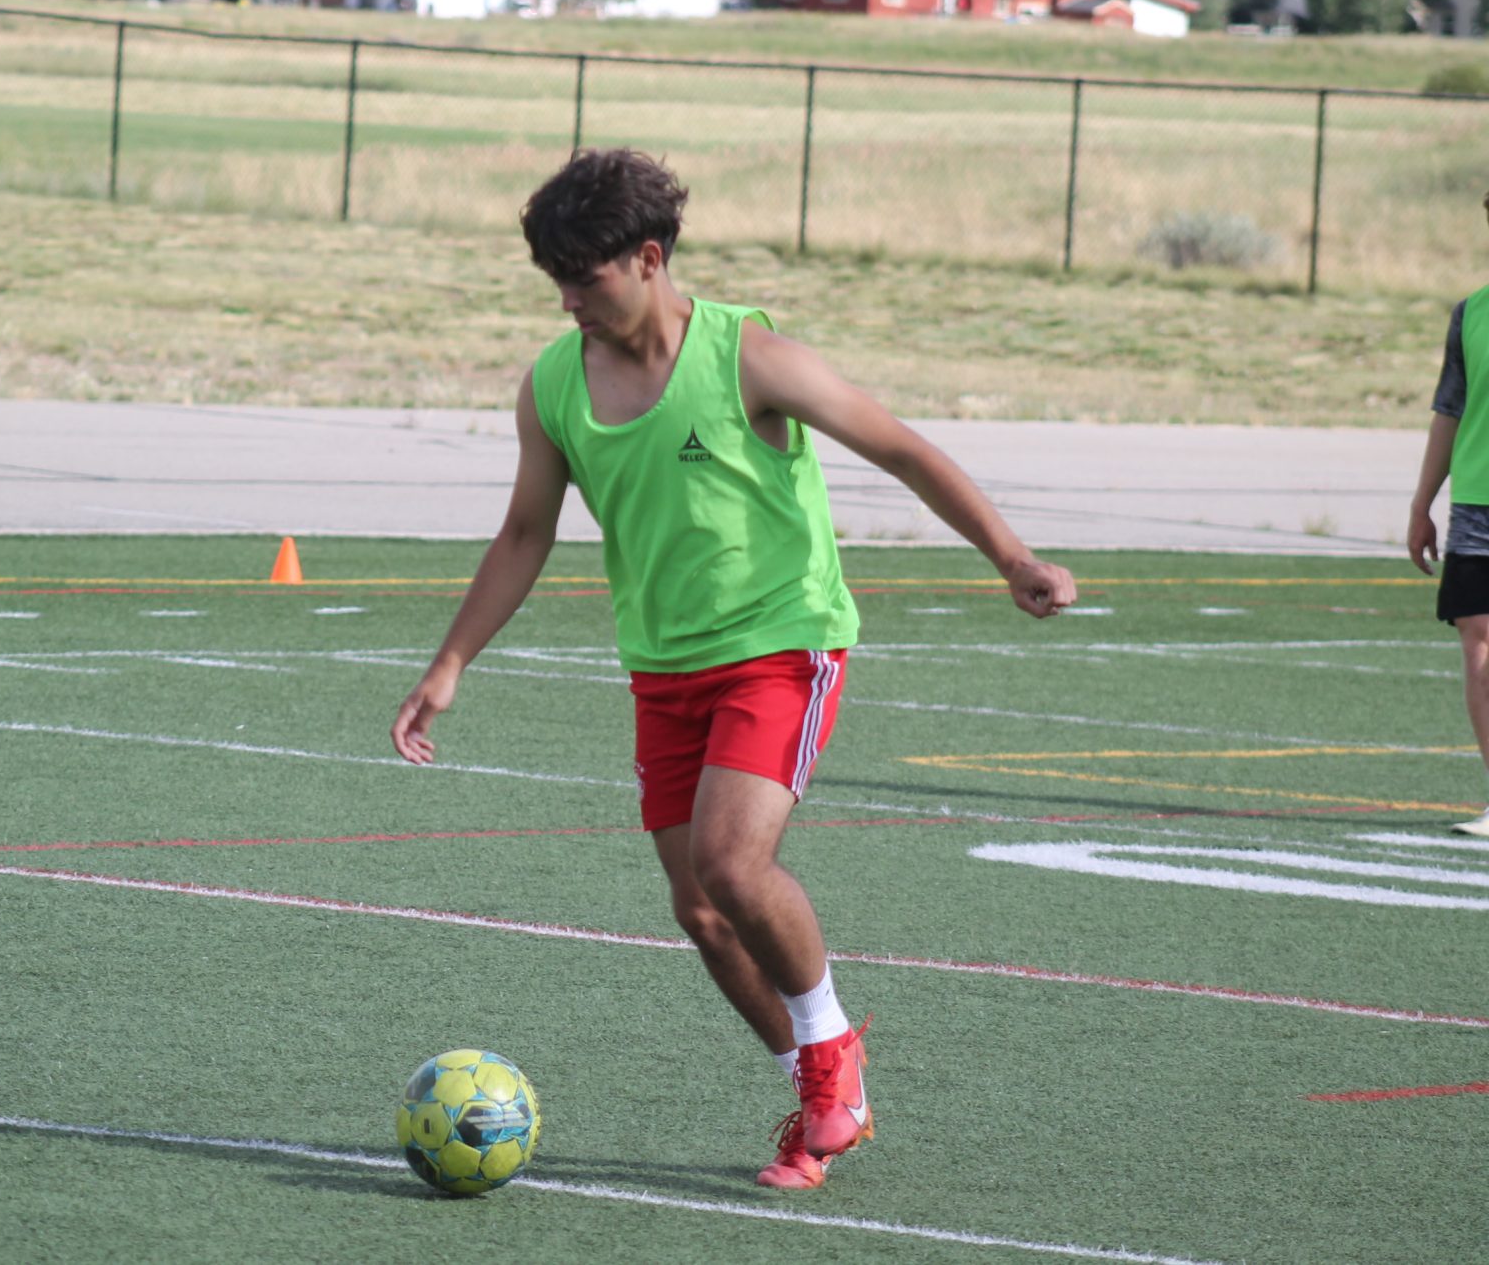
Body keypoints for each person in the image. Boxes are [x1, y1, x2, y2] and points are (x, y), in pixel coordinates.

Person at [388, 149, 1077, 1189]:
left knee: (730, 863)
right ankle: (819, 1092)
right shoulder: (553, 384)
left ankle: (833, 1056)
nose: (568, 300)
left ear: (648, 258)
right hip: (662, 667)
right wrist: (449, 664)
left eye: (584, 277)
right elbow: (525, 531)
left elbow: (900, 449)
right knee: (703, 913)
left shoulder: (749, 356)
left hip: (782, 643)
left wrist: (1011, 557)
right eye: (555, 281)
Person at [1407, 189, 1489, 838]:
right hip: (1477, 505)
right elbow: (1450, 409)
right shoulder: (1471, 313)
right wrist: (1422, 503)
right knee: (1478, 639)